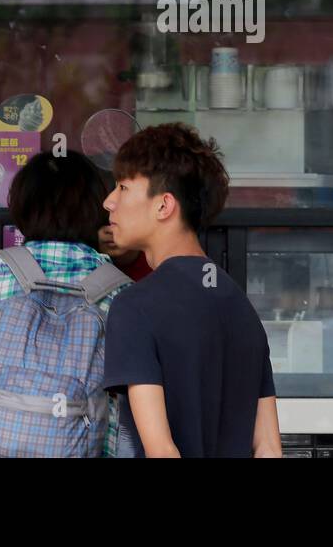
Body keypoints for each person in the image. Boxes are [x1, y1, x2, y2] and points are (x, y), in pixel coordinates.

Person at [102, 123, 281, 458]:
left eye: (123, 187)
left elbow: (162, 451)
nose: (109, 201)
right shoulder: (241, 308)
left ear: (164, 206)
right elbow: (269, 448)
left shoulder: (135, 307)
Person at [0, 150, 128, 456]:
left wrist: (22, 430)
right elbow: (122, 407)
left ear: (22, 205)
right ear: (96, 208)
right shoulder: (120, 289)